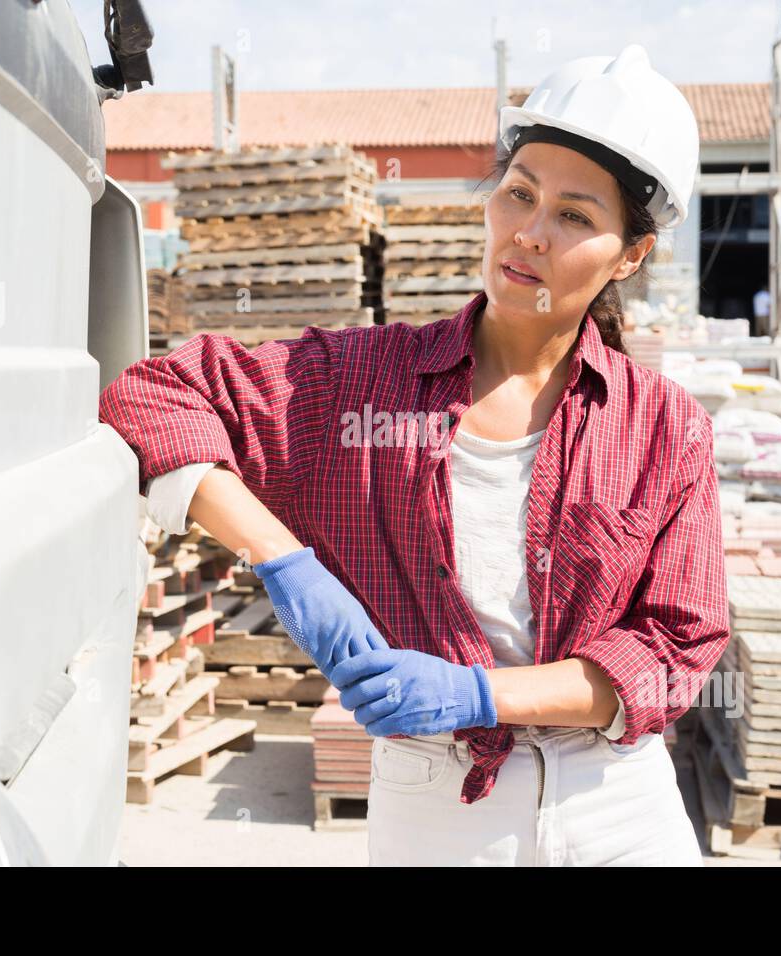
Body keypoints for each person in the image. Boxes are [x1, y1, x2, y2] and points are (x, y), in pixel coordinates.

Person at [98, 44, 728, 866]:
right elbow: (153, 393)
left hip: (615, 806)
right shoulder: (362, 382)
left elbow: (677, 646)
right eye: (520, 193)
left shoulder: (664, 427)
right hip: (439, 803)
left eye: (574, 216)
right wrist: (290, 565)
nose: (530, 233)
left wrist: (476, 692)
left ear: (632, 253)